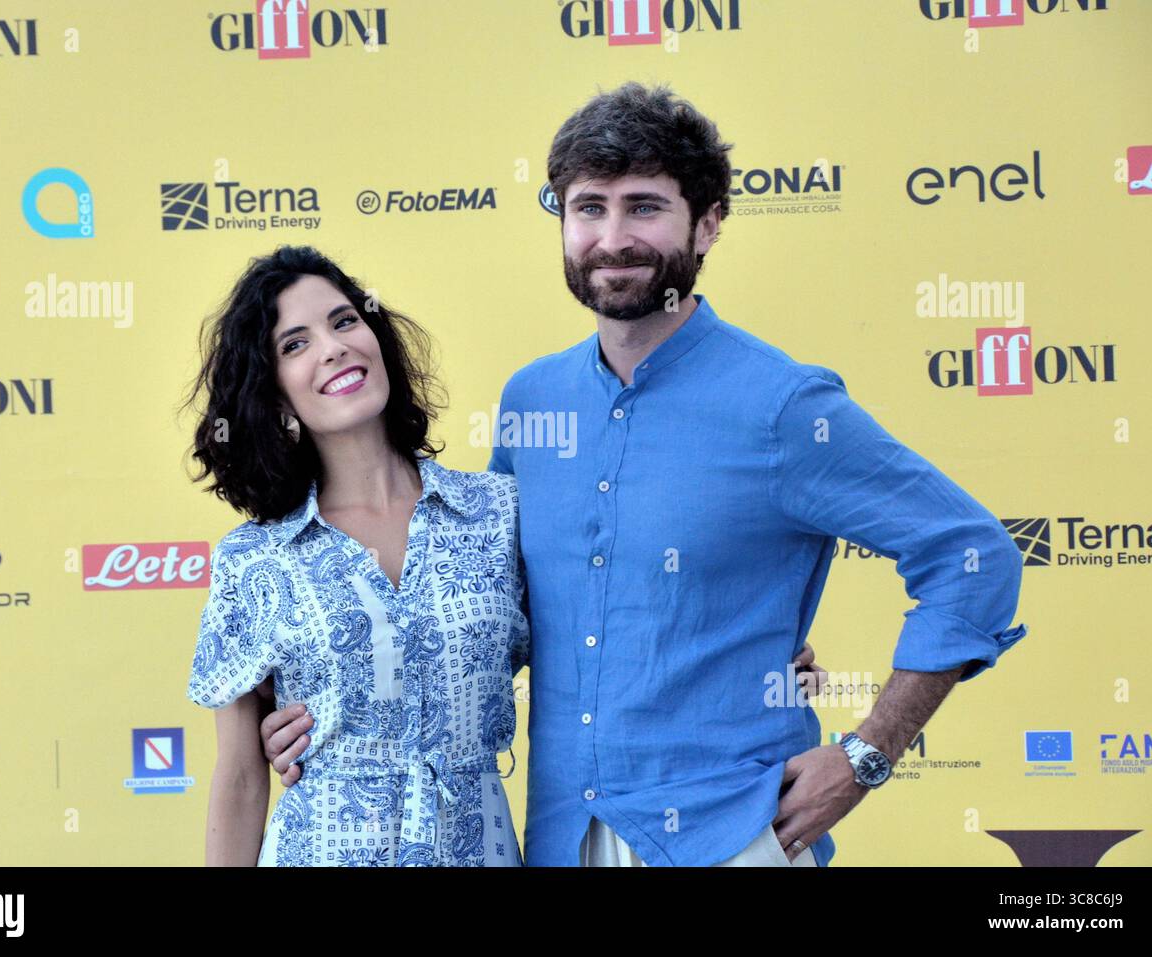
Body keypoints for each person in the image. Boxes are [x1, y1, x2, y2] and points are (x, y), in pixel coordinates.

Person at [262, 82, 1029, 868]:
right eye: (588, 207)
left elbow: (974, 558)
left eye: (644, 207)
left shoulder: (783, 405)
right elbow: (489, 619)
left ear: (709, 222)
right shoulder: (533, 401)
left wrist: (866, 753)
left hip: (732, 837)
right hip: (563, 839)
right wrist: (328, 706)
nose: (613, 236)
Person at [182, 246, 529, 866]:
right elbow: (238, 780)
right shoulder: (256, 562)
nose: (333, 347)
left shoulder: (499, 515)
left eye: (344, 321)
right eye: (295, 344)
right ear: (277, 397)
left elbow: (591, 678)